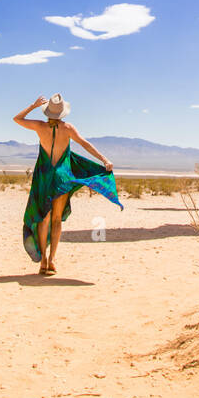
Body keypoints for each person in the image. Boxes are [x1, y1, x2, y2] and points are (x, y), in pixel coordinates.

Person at [14, 93, 122, 276]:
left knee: (44, 218)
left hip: (45, 177)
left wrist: (32, 106)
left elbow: (17, 119)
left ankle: (44, 261)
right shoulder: (68, 128)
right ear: (62, 114)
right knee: (56, 219)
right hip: (62, 177)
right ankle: (53, 259)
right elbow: (85, 144)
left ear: (47, 113)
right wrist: (104, 159)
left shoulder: (40, 126)